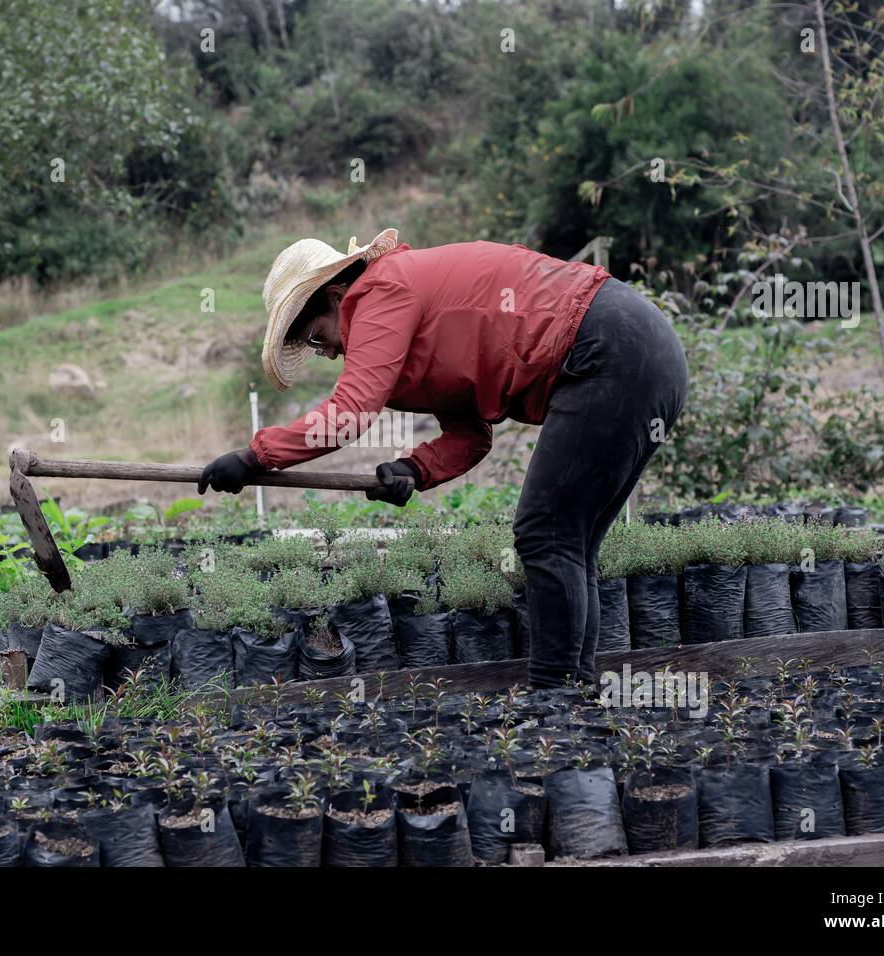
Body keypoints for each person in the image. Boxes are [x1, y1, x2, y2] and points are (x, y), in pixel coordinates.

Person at [199, 228, 688, 688]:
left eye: (314, 335)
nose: (324, 352)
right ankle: (572, 700)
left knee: (546, 534)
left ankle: (555, 700)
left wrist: (255, 456)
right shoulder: (404, 325)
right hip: (636, 349)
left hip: (609, 346)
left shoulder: (381, 290)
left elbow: (349, 414)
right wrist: (414, 468)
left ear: (332, 296)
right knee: (568, 544)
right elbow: (471, 435)